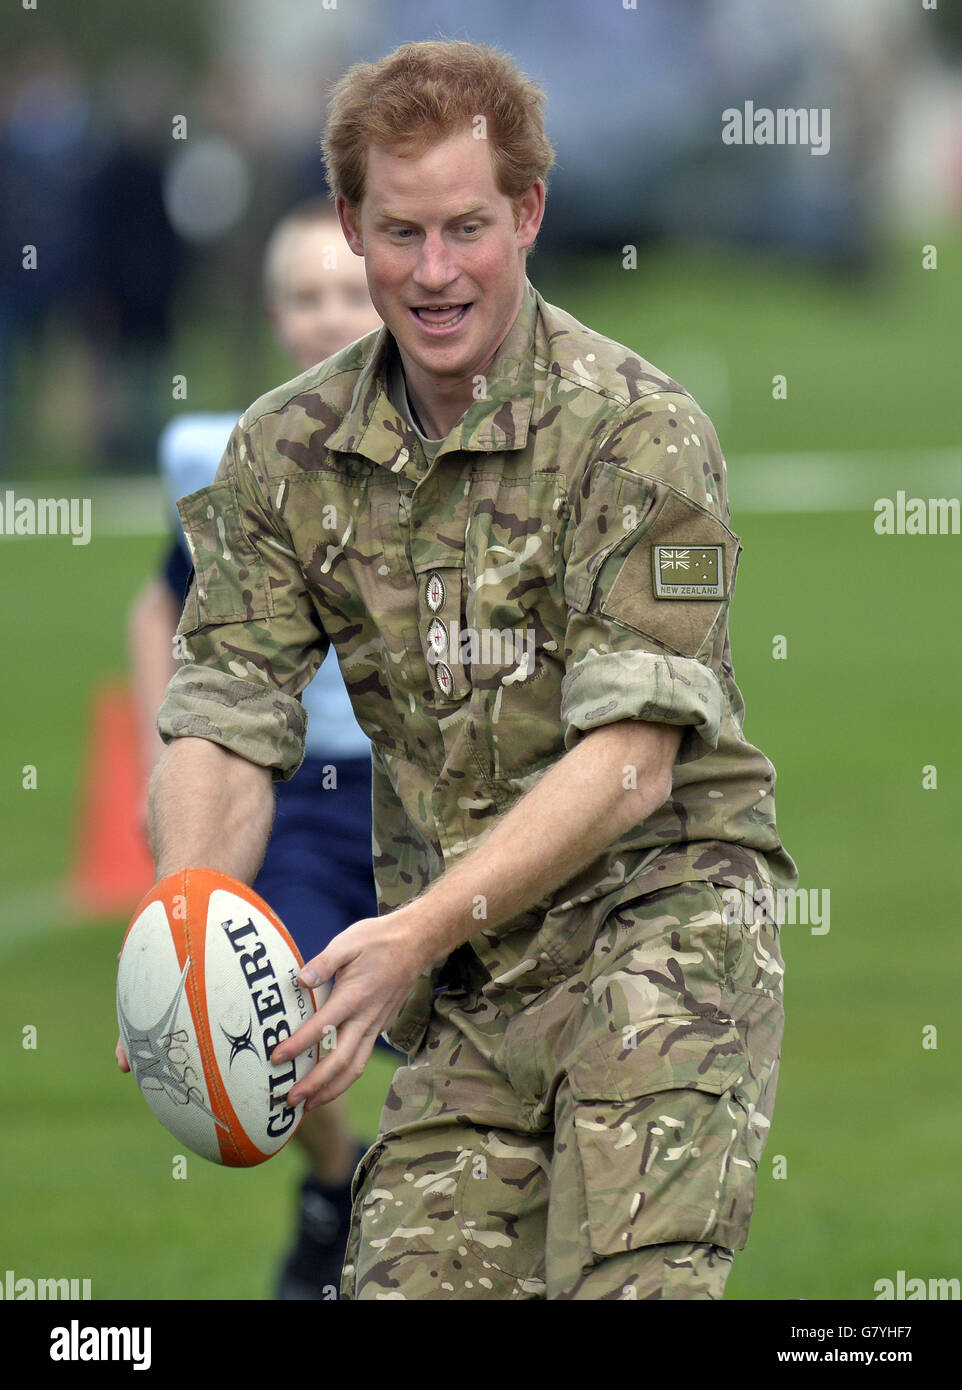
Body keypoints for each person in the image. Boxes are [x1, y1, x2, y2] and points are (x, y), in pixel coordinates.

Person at [135, 38, 797, 1300]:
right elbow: (222, 718)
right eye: (398, 234)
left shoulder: (637, 432)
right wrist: (185, 933)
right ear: (348, 224)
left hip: (656, 929)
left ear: (529, 214)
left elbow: (630, 765)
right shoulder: (283, 454)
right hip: (466, 979)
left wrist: (410, 935)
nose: (433, 273)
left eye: (466, 228)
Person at [125, 198, 387, 1300]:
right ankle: (335, 1187)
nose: (328, 314)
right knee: (266, 1015)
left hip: (441, 783)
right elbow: (161, 604)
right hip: (299, 789)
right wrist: (166, 755)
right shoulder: (233, 458)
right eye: (304, 294)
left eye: (347, 290)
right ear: (275, 313)